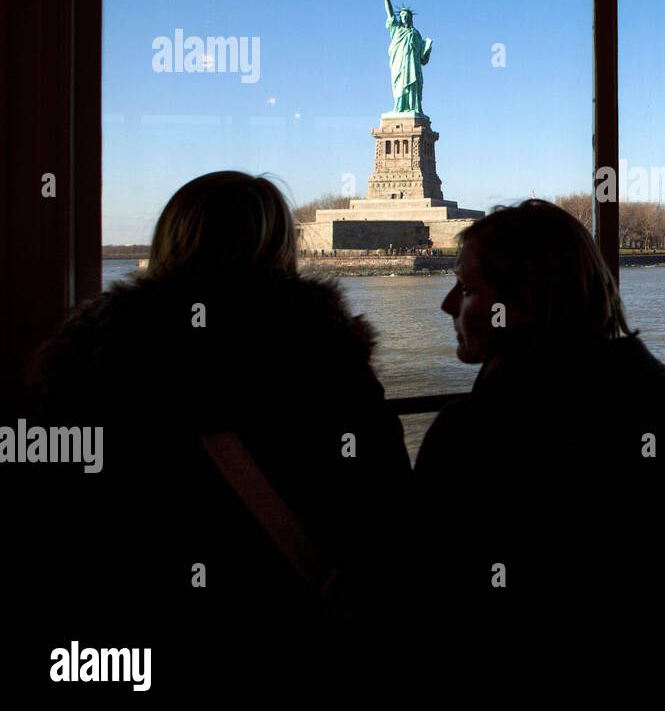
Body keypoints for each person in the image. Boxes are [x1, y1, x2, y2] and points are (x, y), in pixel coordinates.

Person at [28, 172, 410, 680]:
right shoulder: (323, 358)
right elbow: (383, 505)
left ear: (170, 237)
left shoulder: (93, 360)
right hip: (282, 634)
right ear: (279, 244)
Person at [411, 199, 665, 614]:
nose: (447, 305)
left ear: (521, 304)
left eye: (466, 288)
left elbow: (432, 587)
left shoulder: (469, 434)